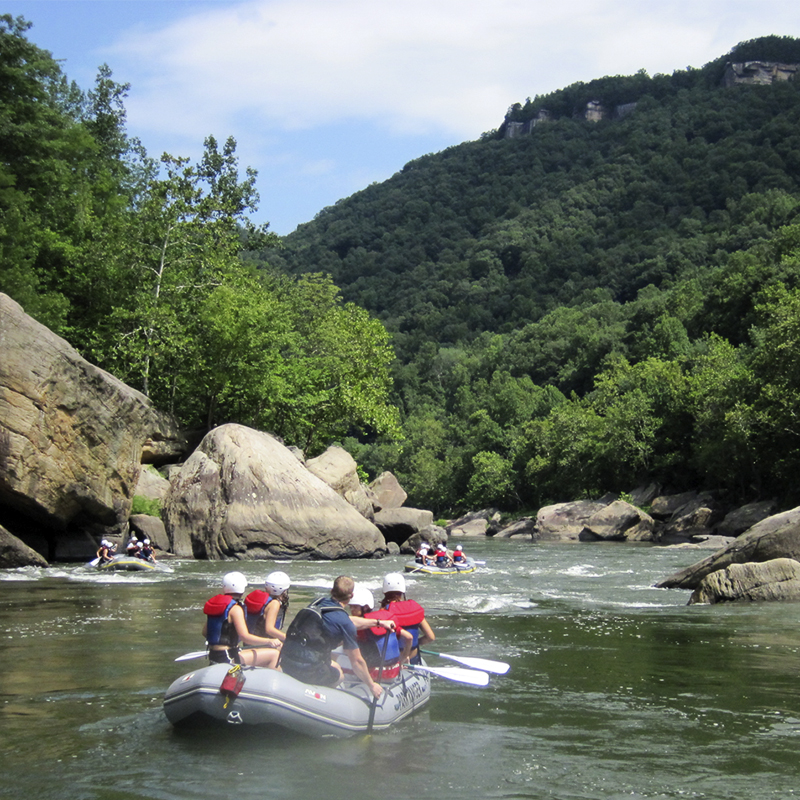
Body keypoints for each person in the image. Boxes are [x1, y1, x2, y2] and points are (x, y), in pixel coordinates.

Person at [279, 576, 392, 698]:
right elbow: (357, 662)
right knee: (339, 676)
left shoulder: (318, 603)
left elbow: (348, 621)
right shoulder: (344, 622)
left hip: (287, 662)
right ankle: (319, 700)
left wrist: (378, 622)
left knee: (335, 665)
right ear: (351, 596)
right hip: (308, 670)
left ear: (332, 591)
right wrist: (372, 685)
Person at [202, 571, 282, 668]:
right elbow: (245, 637)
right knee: (274, 655)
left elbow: (205, 632)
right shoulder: (235, 609)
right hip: (228, 657)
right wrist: (269, 641)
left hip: (214, 655)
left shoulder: (218, 605)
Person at [348, 586, 412, 681]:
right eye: (351, 606)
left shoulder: (359, 628)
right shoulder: (385, 619)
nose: (352, 609)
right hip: (393, 671)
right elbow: (409, 637)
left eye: (355, 606)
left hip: (373, 674)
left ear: (365, 607)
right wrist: (404, 657)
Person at [379, 572, 435, 662]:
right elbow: (430, 637)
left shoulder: (383, 612)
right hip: (413, 657)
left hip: (394, 660)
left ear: (384, 591)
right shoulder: (414, 608)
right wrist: (415, 644)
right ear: (402, 591)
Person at [244, 571, 290, 642]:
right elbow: (269, 629)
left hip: (251, 641)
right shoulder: (274, 603)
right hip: (264, 643)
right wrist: (289, 639)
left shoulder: (262, 599)